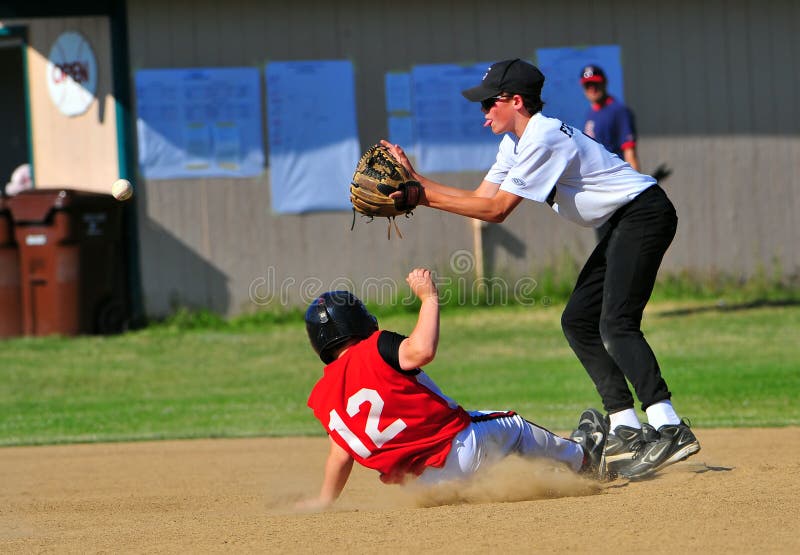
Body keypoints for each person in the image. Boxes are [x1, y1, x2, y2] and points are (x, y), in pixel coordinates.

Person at [379, 58, 700, 480]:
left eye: (490, 102)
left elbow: (495, 211)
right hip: (624, 221)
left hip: (643, 214)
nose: (484, 111)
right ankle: (625, 424)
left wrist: (419, 195)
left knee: (616, 324)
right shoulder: (514, 143)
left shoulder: (543, 136)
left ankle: (669, 424)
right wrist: (415, 180)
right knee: (579, 322)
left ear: (516, 101)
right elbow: (480, 197)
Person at [297, 267, 608, 510]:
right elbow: (421, 352)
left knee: (484, 438)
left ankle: (536, 476)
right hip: (460, 452)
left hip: (421, 488)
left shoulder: (323, 396)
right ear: (359, 321)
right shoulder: (376, 346)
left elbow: (340, 457)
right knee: (512, 425)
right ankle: (581, 458)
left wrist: (325, 500)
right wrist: (429, 297)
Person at [579, 65, 640, 172]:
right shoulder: (591, 112)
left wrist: (636, 184)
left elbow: (629, 152)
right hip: (598, 179)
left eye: (596, 83)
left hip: (616, 178)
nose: (592, 88)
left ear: (604, 83)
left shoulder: (619, 111)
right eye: (588, 85)